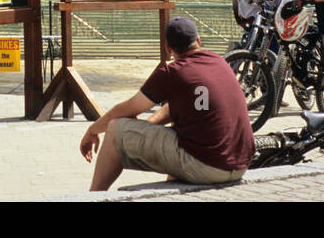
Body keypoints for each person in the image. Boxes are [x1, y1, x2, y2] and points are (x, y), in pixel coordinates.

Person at [78, 16, 254, 191]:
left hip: (207, 167)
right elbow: (178, 107)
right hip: (240, 165)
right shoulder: (219, 61)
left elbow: (126, 109)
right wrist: (149, 126)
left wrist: (92, 130)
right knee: (182, 135)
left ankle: (94, 196)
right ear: (198, 41)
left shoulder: (172, 72)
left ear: (168, 48)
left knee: (115, 129)